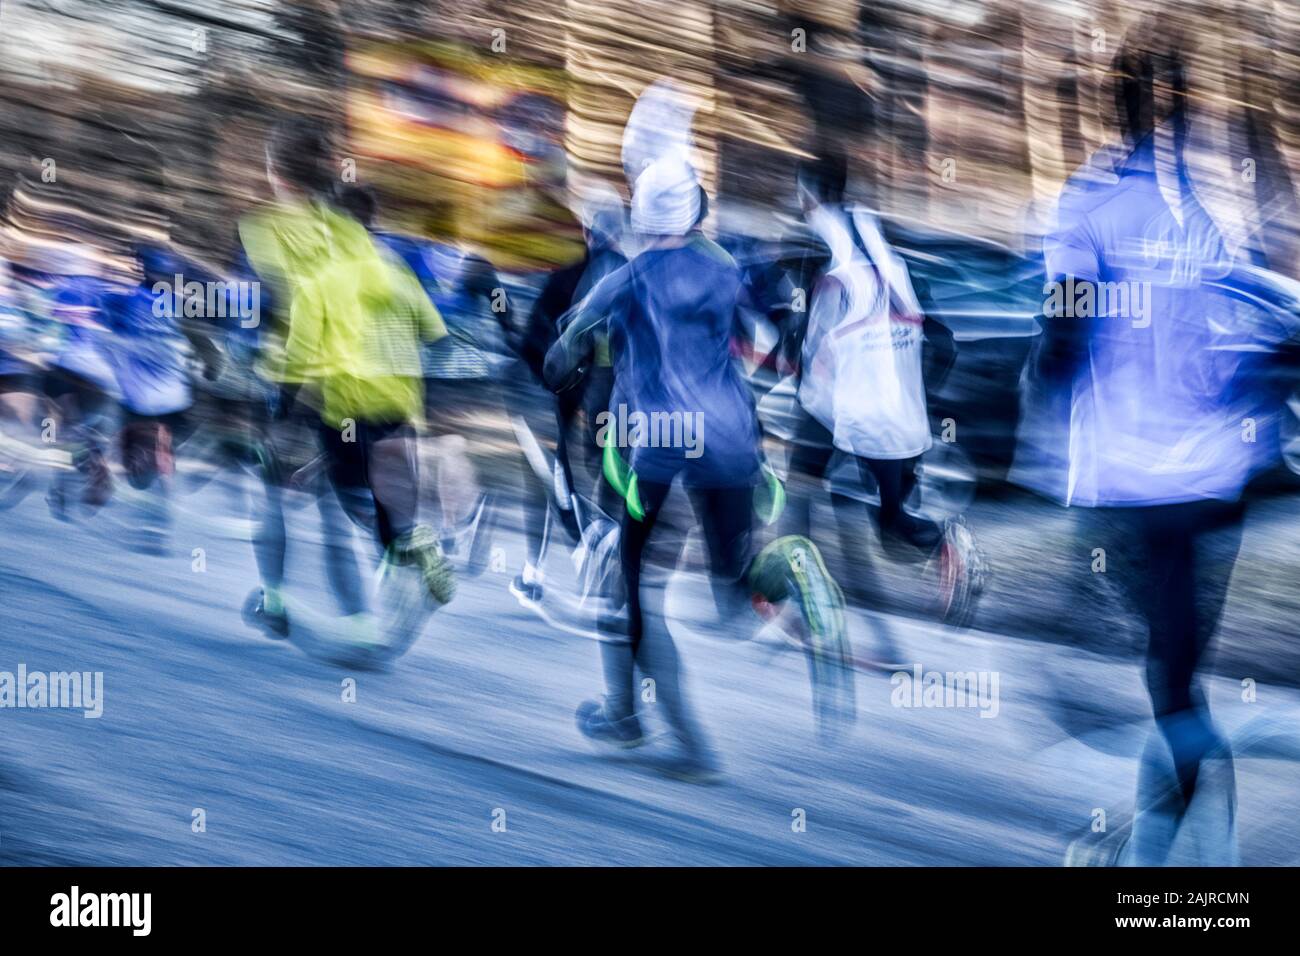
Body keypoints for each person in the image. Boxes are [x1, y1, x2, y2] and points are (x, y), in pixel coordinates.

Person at [1021, 34, 1271, 865]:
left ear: (1106, 105)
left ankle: (1185, 860)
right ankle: (1154, 847)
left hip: (1135, 481)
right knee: (1176, 669)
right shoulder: (1203, 219)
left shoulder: (1088, 209)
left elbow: (1062, 336)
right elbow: (1249, 337)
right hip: (1218, 479)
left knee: (1166, 680)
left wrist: (1040, 400)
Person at [546, 147, 853, 777]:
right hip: (732, 441)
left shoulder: (624, 279)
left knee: (630, 581)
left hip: (655, 447)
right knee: (734, 596)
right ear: (694, 213)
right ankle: (790, 571)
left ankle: (654, 728)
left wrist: (570, 354)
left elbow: (560, 357)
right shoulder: (724, 271)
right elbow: (772, 336)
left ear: (642, 216)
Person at [238, 119, 454, 639]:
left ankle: (281, 600)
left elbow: (268, 319)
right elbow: (429, 329)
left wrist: (276, 400)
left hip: (313, 382)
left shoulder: (265, 231)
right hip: (381, 390)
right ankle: (381, 577)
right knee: (355, 496)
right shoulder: (369, 246)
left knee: (287, 493)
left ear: (275, 173)